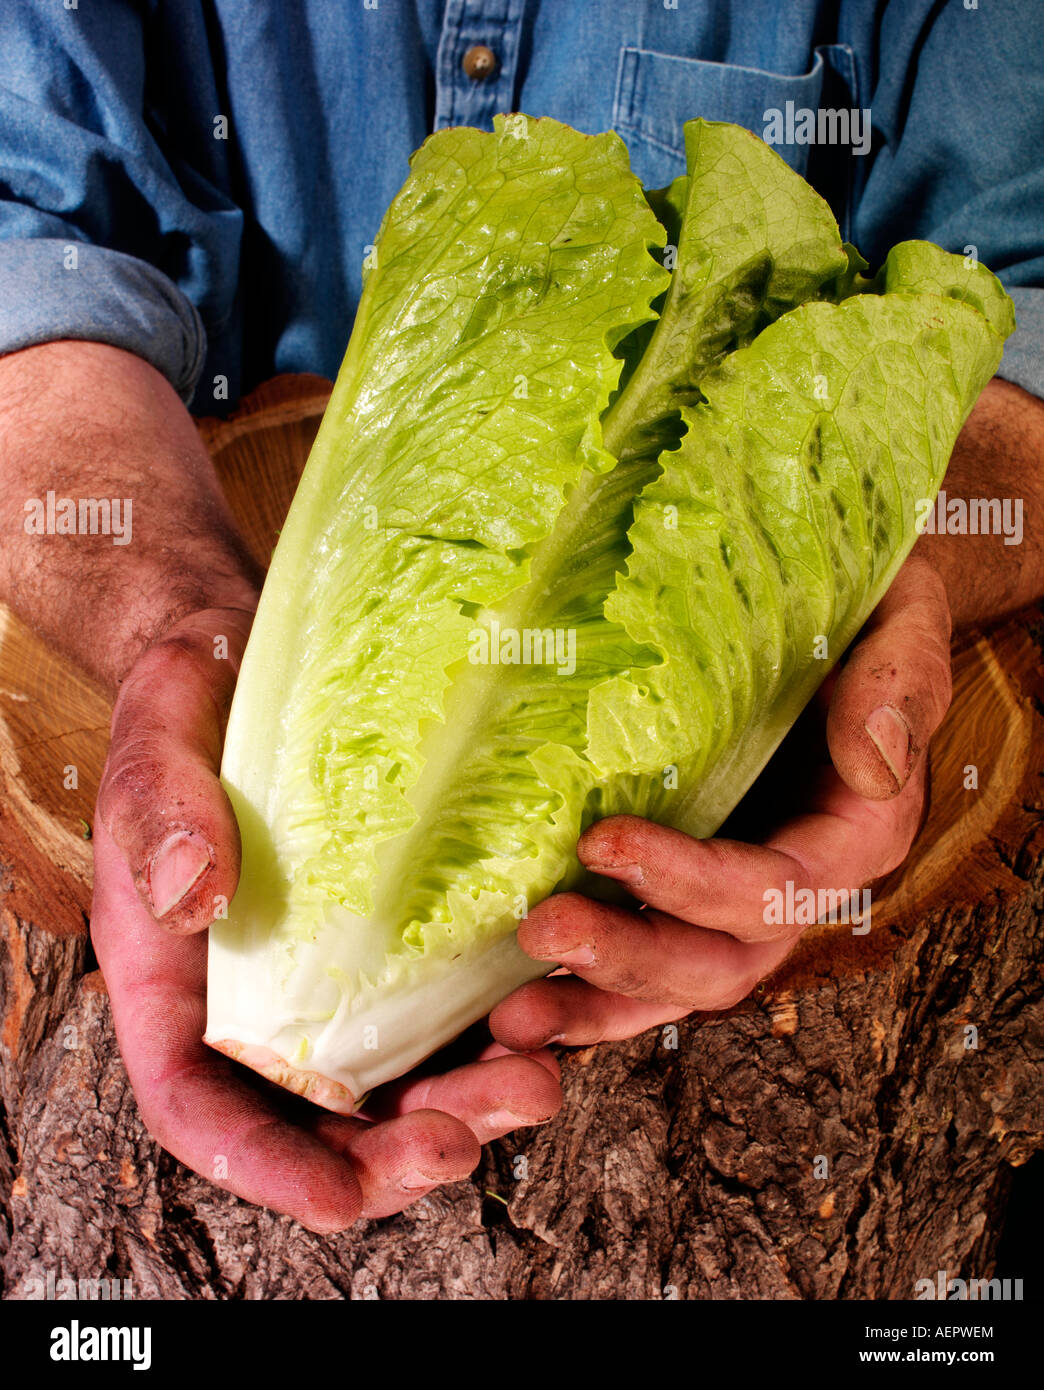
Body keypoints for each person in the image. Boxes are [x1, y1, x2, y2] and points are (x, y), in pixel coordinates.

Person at [1, 1, 1042, 1234]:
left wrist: (846, 570)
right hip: (245, 532)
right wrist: (174, 617)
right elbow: (25, 229)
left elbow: (1013, 308)